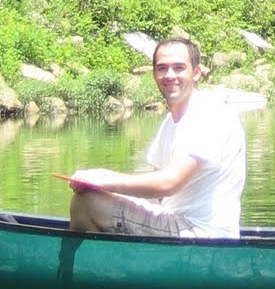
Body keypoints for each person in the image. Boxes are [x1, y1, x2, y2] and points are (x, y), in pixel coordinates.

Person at [68, 36, 245, 238]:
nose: (169, 75)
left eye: (179, 68)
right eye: (162, 68)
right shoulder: (171, 121)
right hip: (174, 221)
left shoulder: (209, 114)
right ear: (154, 74)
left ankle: (95, 259)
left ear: (196, 72)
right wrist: (100, 183)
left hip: (200, 232)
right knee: (93, 195)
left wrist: (102, 180)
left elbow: (169, 183)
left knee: (86, 203)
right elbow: (155, 195)